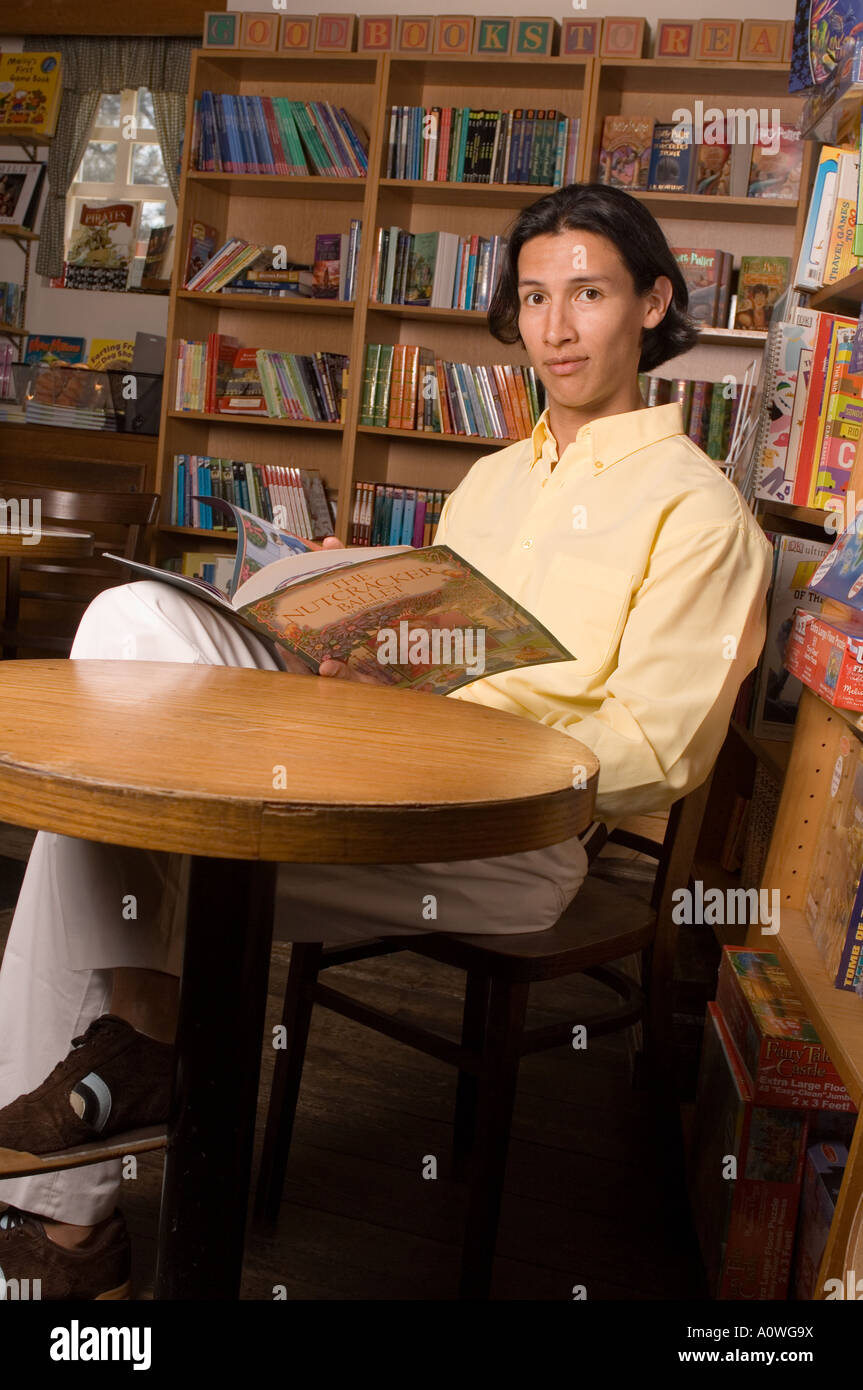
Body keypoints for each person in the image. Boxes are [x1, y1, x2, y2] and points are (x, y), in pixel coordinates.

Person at [0, 183, 773, 1299]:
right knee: (129, 634)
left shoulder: (702, 514)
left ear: (652, 303)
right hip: (367, 770)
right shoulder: (493, 480)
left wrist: (478, 720)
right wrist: (344, 630)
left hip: (510, 839)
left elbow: (657, 751)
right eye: (534, 297)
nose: (554, 328)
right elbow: (417, 657)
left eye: (589, 294)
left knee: (98, 841)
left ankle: (73, 1208)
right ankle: (124, 1095)